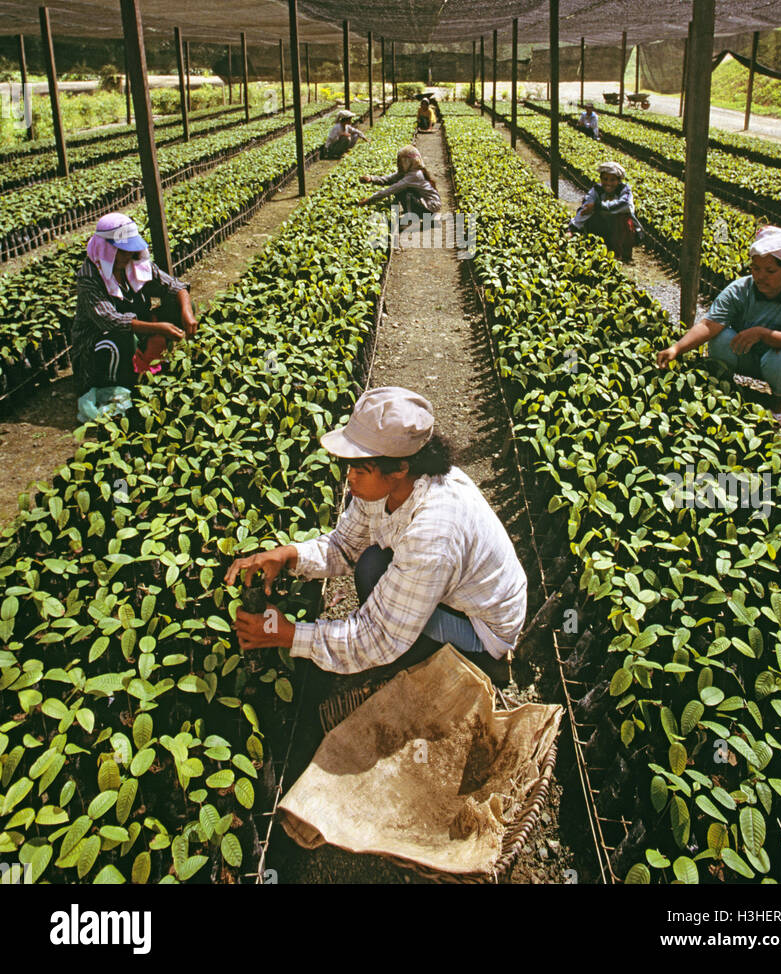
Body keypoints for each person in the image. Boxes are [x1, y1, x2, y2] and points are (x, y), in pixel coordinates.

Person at [227, 387, 528, 686]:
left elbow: (378, 635)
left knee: (374, 579)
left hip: (481, 627)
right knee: (371, 563)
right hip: (452, 594)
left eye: (360, 468)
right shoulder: (387, 484)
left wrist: (288, 634)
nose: (349, 476)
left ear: (399, 469)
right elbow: (345, 546)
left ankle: (477, 665)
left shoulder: (434, 533)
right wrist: (288, 555)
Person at [657, 226, 781, 422]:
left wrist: (762, 333)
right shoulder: (740, 289)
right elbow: (710, 325)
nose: (760, 276)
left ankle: (778, 402)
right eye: (755, 269)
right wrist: (676, 349)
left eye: (770, 271)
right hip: (745, 352)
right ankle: (726, 388)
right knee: (719, 338)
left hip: (775, 358)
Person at [71, 213, 197, 421]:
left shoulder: (135, 263)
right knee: (120, 336)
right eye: (121, 251)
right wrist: (158, 328)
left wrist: (187, 312)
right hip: (100, 343)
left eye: (130, 250)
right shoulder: (90, 276)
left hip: (136, 330)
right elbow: (111, 321)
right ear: (106, 249)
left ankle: (144, 363)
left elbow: (176, 287)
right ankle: (115, 386)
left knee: (182, 304)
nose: (127, 256)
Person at [568, 161, 641, 262]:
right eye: (605, 179)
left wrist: (598, 206)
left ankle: (622, 253)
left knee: (623, 218)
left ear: (619, 180)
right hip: (603, 227)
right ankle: (598, 248)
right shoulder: (596, 190)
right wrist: (572, 228)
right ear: (601, 179)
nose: (608, 183)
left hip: (620, 230)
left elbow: (624, 205)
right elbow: (585, 208)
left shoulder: (625, 190)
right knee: (592, 217)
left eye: (612, 180)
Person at [358, 145, 441, 219]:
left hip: (431, 206)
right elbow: (388, 179)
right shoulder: (408, 172)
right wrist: (371, 179)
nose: (398, 164)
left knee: (402, 191)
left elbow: (391, 189)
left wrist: (369, 200)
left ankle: (412, 217)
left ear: (407, 162)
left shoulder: (414, 175)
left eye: (400, 162)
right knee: (402, 189)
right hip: (427, 203)